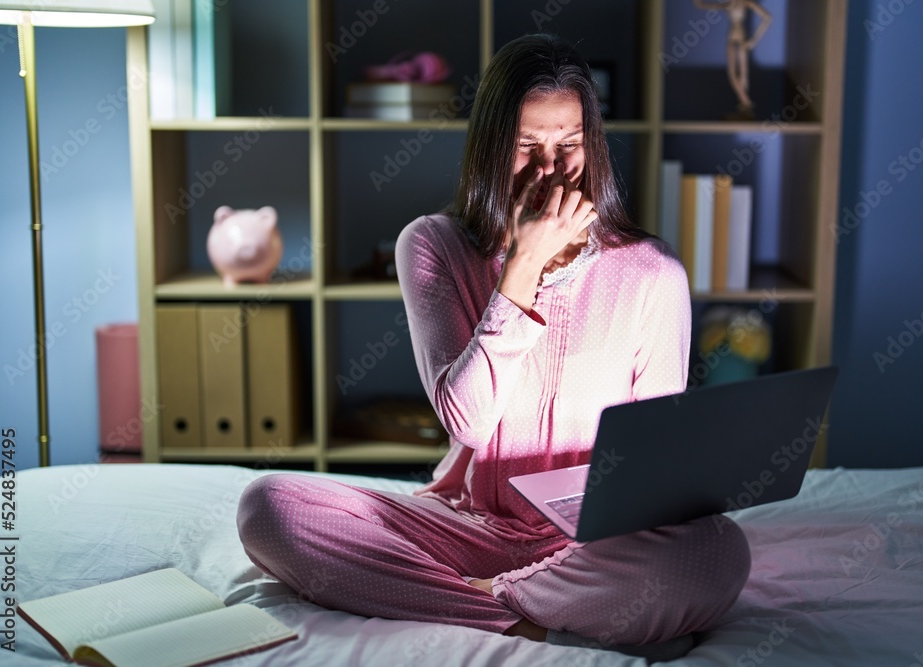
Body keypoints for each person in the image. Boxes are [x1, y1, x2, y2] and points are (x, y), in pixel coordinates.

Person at [236, 34, 750, 662]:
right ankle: (517, 617)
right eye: (527, 148)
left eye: (570, 146)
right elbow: (468, 420)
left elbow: (653, 458)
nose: (550, 171)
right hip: (469, 527)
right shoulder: (433, 245)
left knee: (717, 551)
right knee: (268, 507)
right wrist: (523, 267)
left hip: (590, 544)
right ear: (490, 148)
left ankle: (498, 597)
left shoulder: (652, 272)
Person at [694, 0, 772, 118]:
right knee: (736, 74)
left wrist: (753, 41)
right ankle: (744, 104)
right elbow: (706, 6)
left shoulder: (745, 3)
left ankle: (746, 103)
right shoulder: (729, 4)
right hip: (732, 39)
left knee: (741, 74)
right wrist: (699, 4)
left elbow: (767, 17)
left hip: (740, 40)